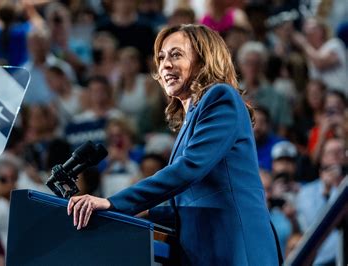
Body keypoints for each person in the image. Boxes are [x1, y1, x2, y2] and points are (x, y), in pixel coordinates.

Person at [67, 24, 281, 265]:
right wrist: (122, 215)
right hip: (205, 250)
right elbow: (187, 203)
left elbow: (189, 168)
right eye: (161, 57)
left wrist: (114, 203)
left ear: (203, 60)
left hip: (236, 247)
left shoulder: (221, 97)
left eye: (176, 54)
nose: (165, 64)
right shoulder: (189, 121)